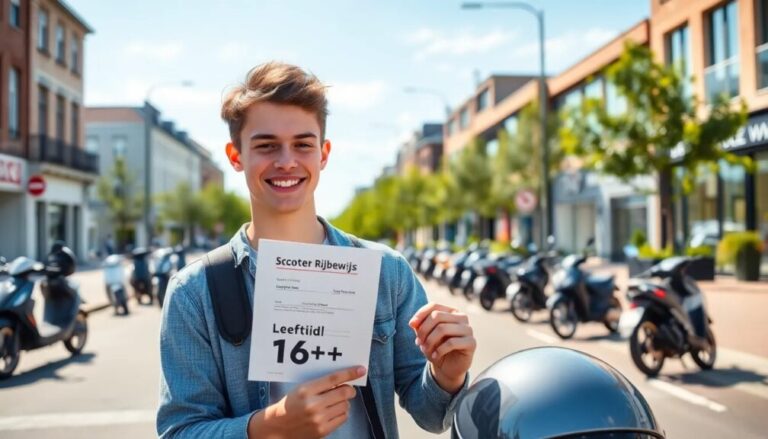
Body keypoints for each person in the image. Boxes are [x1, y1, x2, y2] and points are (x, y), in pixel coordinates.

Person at [157, 62, 477, 438]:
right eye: (266, 145)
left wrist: (448, 373)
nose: (287, 161)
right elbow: (180, 431)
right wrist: (269, 427)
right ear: (235, 155)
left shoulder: (386, 272)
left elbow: (431, 415)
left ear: (323, 153)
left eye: (302, 144)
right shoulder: (193, 292)